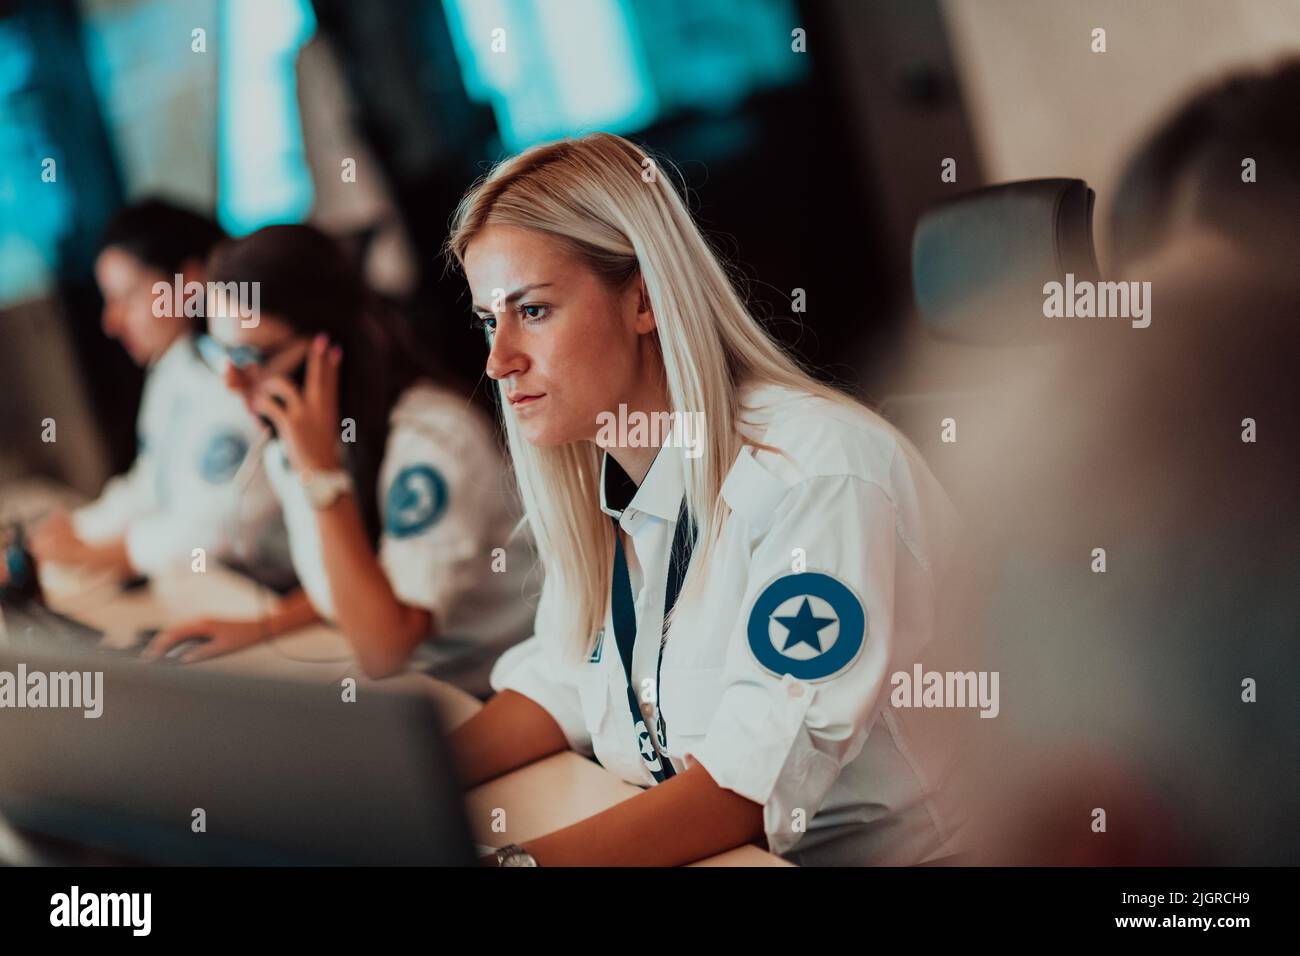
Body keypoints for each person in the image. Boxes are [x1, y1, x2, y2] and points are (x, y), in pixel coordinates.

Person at [445, 132, 963, 866]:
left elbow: (747, 784)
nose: (498, 361)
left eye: (531, 311)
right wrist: (394, 792)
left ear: (645, 301)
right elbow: (562, 675)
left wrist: (520, 865)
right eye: (486, 320)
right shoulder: (612, 480)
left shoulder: (814, 478)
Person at [144, 225, 534, 692]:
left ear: (327, 346)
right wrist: (262, 626)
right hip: (420, 685)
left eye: (251, 354)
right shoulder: (308, 433)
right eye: (220, 352)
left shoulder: (432, 441)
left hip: (494, 690)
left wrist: (322, 478)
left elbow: (384, 647)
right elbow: (358, 575)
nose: (231, 382)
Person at [28, 199, 287, 585]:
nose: (111, 322)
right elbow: (149, 483)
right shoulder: (175, 365)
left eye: (128, 296)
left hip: (265, 588)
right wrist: (68, 532)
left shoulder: (238, 378)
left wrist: (94, 554)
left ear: (189, 282)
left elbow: (215, 532)